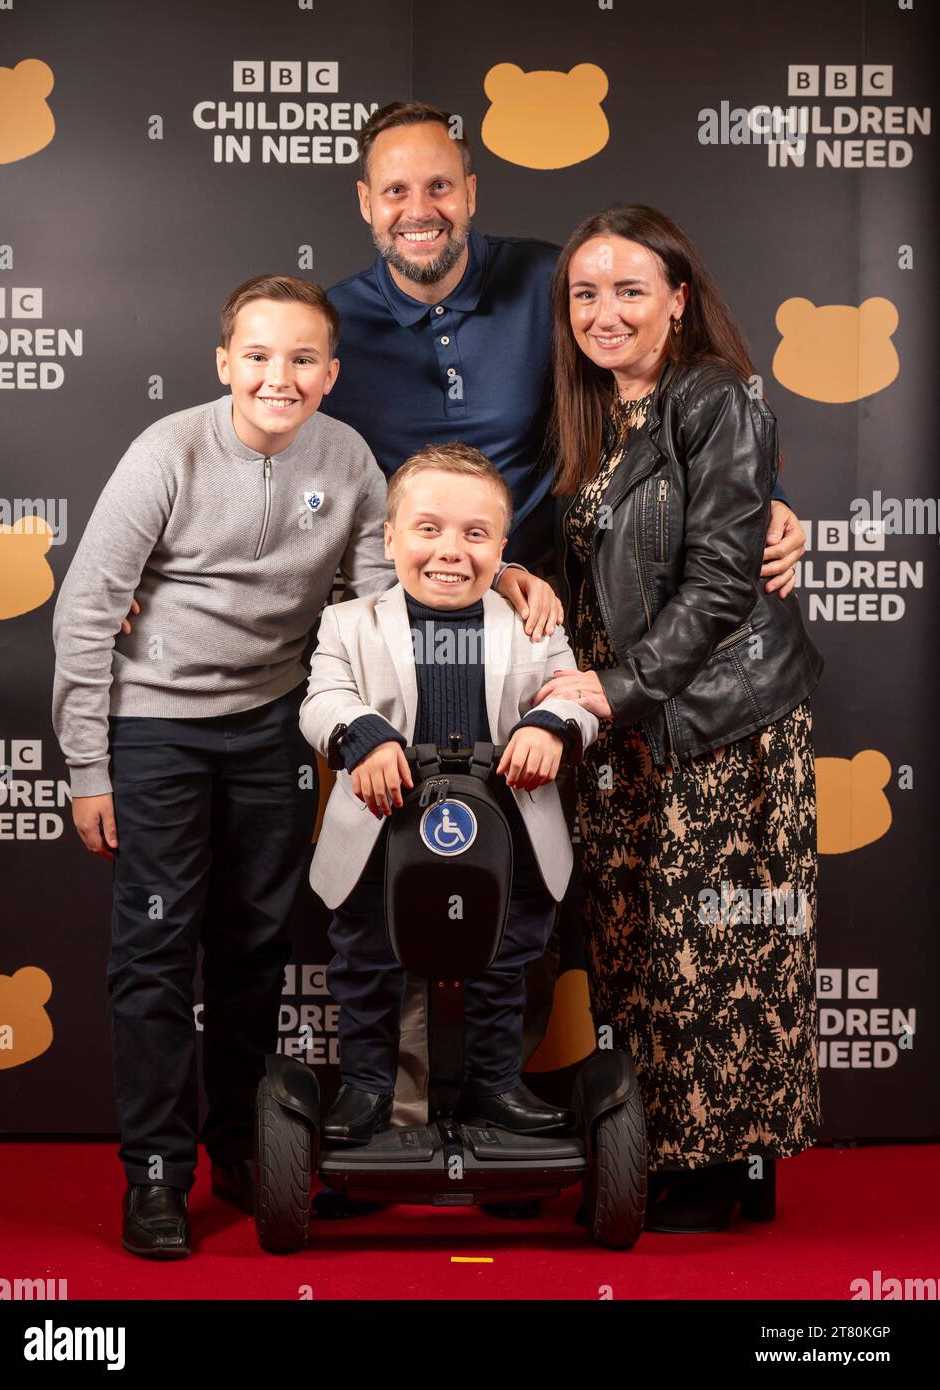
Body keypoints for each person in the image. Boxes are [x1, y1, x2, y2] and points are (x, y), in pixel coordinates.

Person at [318, 98, 810, 1130]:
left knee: (529, 887)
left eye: (440, 185)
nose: (421, 208)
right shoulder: (332, 326)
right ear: (366, 204)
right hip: (431, 647)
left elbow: (700, 444)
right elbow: (281, 455)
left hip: (551, 652)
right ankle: (399, 1111)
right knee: (403, 879)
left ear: (471, 194)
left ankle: (515, 1113)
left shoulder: (551, 276)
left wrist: (768, 508)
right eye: (397, 189)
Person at [51, 274, 557, 1260]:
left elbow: (390, 604)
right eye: (257, 355)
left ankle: (242, 1144)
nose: (276, 378)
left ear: (329, 374)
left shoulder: (349, 459)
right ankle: (155, 1171)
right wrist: (86, 767)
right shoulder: (169, 452)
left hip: (272, 726)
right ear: (224, 363)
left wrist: (504, 578)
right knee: (155, 956)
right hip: (156, 727)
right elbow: (84, 611)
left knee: (254, 949)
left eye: (299, 360)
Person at [533, 204, 823, 1234]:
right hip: (630, 728)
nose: (604, 313)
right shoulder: (594, 413)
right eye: (585, 294)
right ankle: (651, 1152)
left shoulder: (717, 400)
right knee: (634, 945)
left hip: (719, 720)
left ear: (679, 300)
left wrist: (619, 686)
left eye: (629, 291)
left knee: (724, 946)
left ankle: (724, 1169)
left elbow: (715, 584)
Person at [298, 444, 599, 1142]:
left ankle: (497, 1086)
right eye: (428, 529)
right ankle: (370, 1089)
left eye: (475, 534)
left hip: (509, 836)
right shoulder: (351, 623)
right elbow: (321, 701)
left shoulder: (532, 625)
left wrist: (552, 726)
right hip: (384, 833)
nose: (450, 552)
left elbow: (578, 699)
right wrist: (361, 732)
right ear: (390, 538)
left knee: (506, 962)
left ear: (502, 547)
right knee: (367, 961)